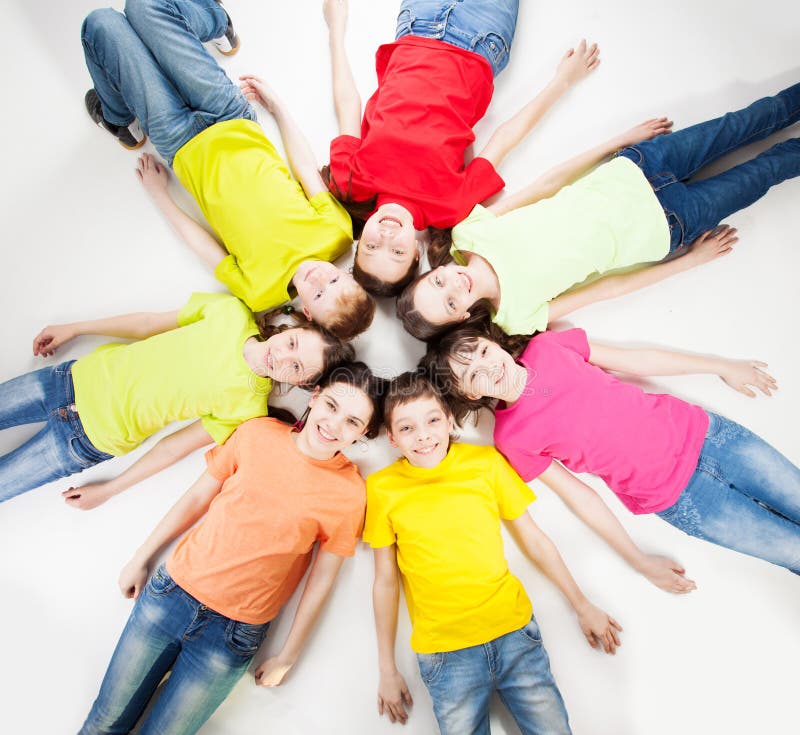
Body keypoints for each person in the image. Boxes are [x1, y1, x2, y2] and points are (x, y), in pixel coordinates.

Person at [77, 363, 383, 735]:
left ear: (362, 433)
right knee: (104, 723)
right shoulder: (256, 434)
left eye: (352, 422)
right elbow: (195, 499)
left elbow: (322, 581)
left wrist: (288, 655)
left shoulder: (349, 493)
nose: (334, 425)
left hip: (232, 637)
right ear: (315, 397)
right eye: (332, 406)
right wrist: (141, 557)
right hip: (170, 596)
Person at [398, 82, 800, 340]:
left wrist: (619, 140)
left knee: (747, 121)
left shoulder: (470, 234)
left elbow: (546, 183)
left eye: (438, 285)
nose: (454, 287)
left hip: (639, 166)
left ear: (435, 271)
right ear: (462, 319)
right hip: (666, 225)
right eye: (451, 304)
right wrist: (691, 261)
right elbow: (607, 290)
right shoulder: (515, 316)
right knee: (768, 169)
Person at [82, 0, 375, 339]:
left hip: (179, 143)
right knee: (143, 6)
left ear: (306, 311)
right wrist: (278, 108)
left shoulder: (259, 292)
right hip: (229, 115)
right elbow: (306, 169)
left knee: (100, 25)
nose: (320, 279)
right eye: (335, 280)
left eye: (320, 294)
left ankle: (119, 117)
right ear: (349, 274)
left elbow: (205, 247)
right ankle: (216, 21)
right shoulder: (337, 234)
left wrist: (160, 195)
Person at [423, 326, 800, 581]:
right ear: (471, 394)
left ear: (497, 343)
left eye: (485, 352)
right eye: (473, 375)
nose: (489, 368)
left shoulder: (549, 346)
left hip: (710, 438)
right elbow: (580, 497)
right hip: (682, 499)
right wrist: (636, 559)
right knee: (793, 552)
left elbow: (638, 360)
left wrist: (721, 367)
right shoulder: (512, 439)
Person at [364, 371, 622, 734]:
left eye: (433, 420)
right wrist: (386, 668)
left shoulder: (485, 463)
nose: (423, 435)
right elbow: (386, 582)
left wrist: (582, 604)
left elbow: (534, 540)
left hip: (514, 635)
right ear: (391, 437)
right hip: (445, 656)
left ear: (450, 420)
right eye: (406, 428)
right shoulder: (382, 489)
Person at [323, 0, 600, 295]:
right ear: (417, 253)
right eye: (397, 253)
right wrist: (563, 81)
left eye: (371, 246)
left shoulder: (350, 183)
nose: (386, 236)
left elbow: (348, 104)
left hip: (418, 24)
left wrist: (335, 27)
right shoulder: (449, 209)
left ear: (360, 237)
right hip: (480, 40)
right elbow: (504, 140)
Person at [0, 292, 352, 507]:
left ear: (304, 383)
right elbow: (148, 323)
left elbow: (173, 448)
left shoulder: (248, 411)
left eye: (295, 367)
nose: (282, 358)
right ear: (291, 330)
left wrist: (110, 489)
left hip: (87, 440)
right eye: (292, 345)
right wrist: (76, 328)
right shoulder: (230, 313)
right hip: (68, 381)